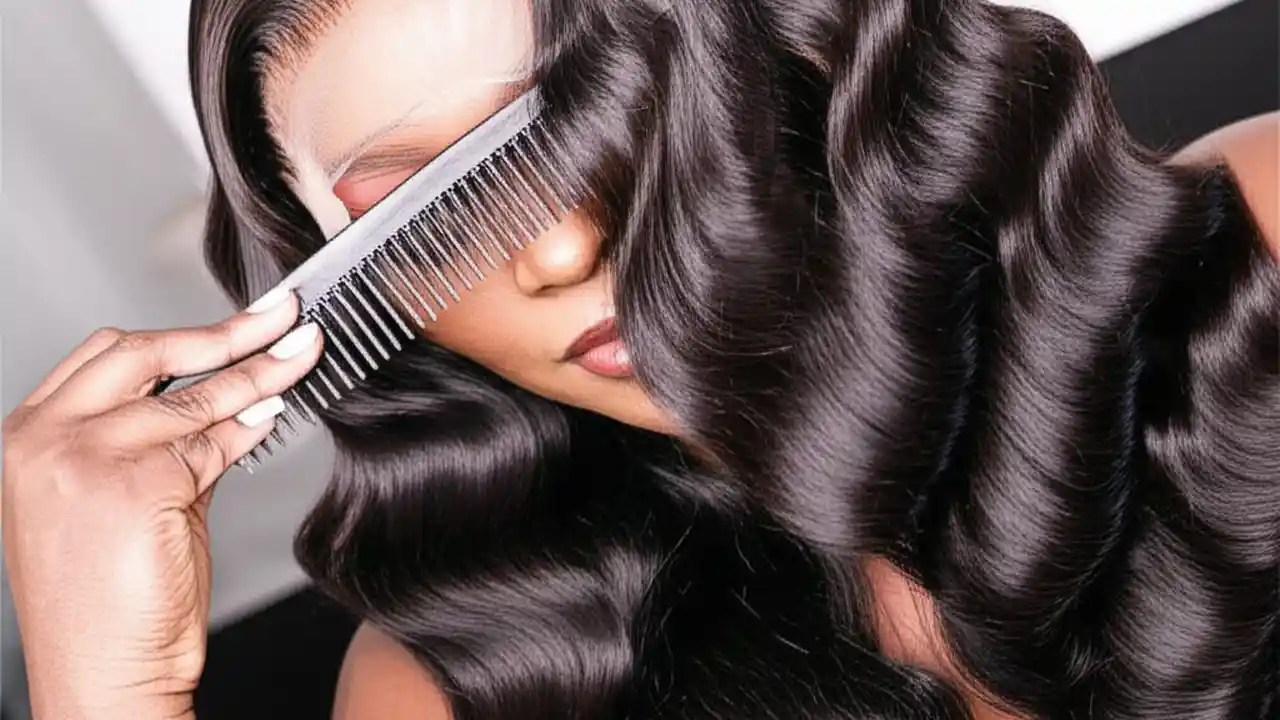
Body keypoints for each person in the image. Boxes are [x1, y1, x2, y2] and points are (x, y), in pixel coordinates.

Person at [4, 0, 1278, 718]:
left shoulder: (1259, 242)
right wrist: (101, 694)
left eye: (587, 129)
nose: (556, 251)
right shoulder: (475, 689)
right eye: (432, 216)